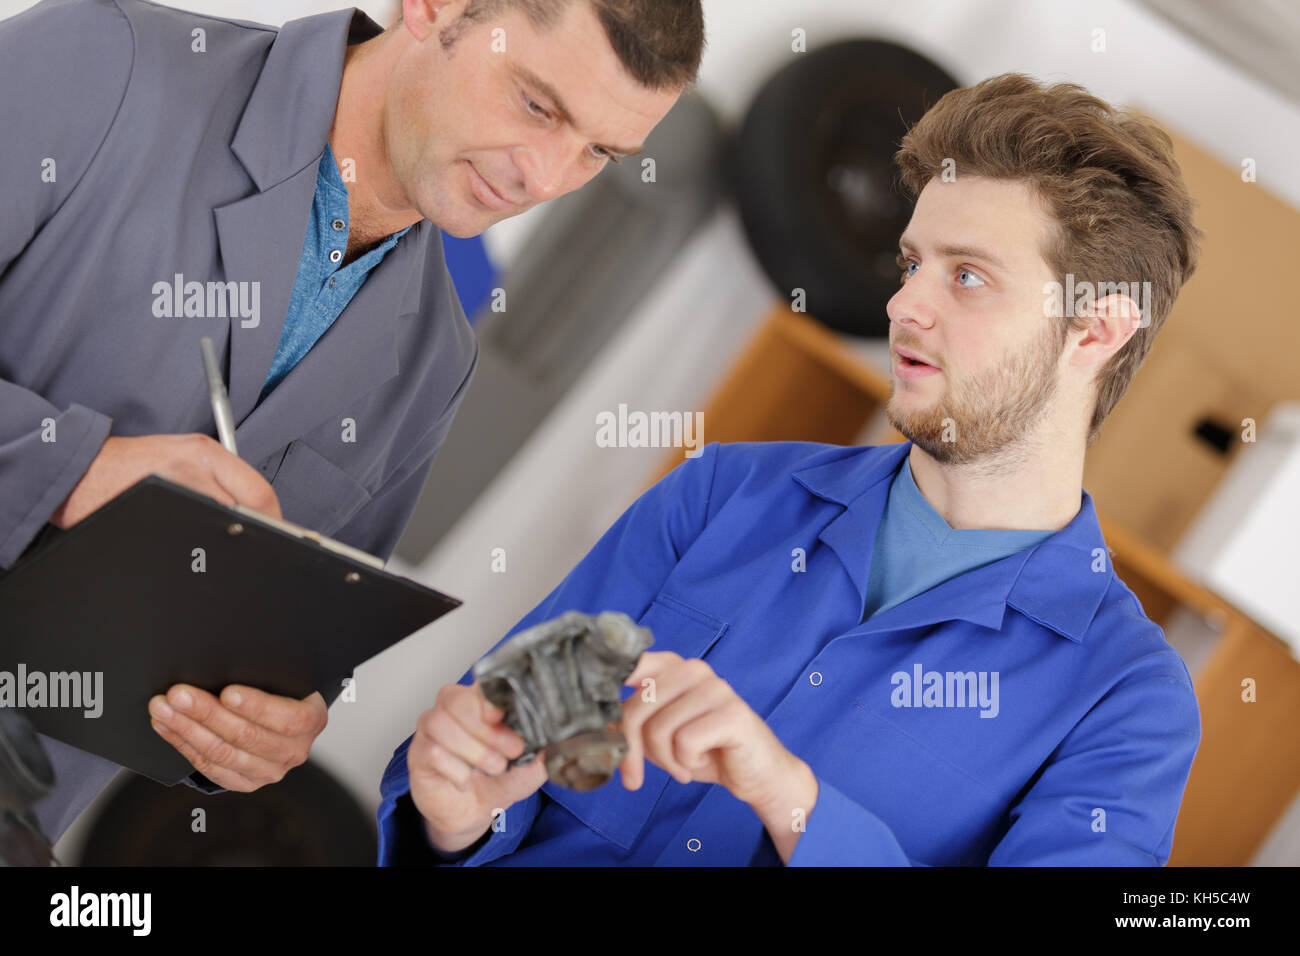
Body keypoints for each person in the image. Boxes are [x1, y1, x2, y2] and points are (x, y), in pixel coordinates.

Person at [378, 72, 1205, 866]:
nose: (904, 304)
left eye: (968, 276)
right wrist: (458, 816)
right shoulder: (722, 495)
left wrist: (791, 801)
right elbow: (491, 762)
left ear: (1095, 333)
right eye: (914, 264)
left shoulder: (1127, 700)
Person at [0, 0, 703, 841]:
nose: (545, 178)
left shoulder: (438, 361)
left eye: (598, 152)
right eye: (537, 105)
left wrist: (264, 730)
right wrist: (69, 468)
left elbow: (284, 637)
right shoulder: (101, 62)